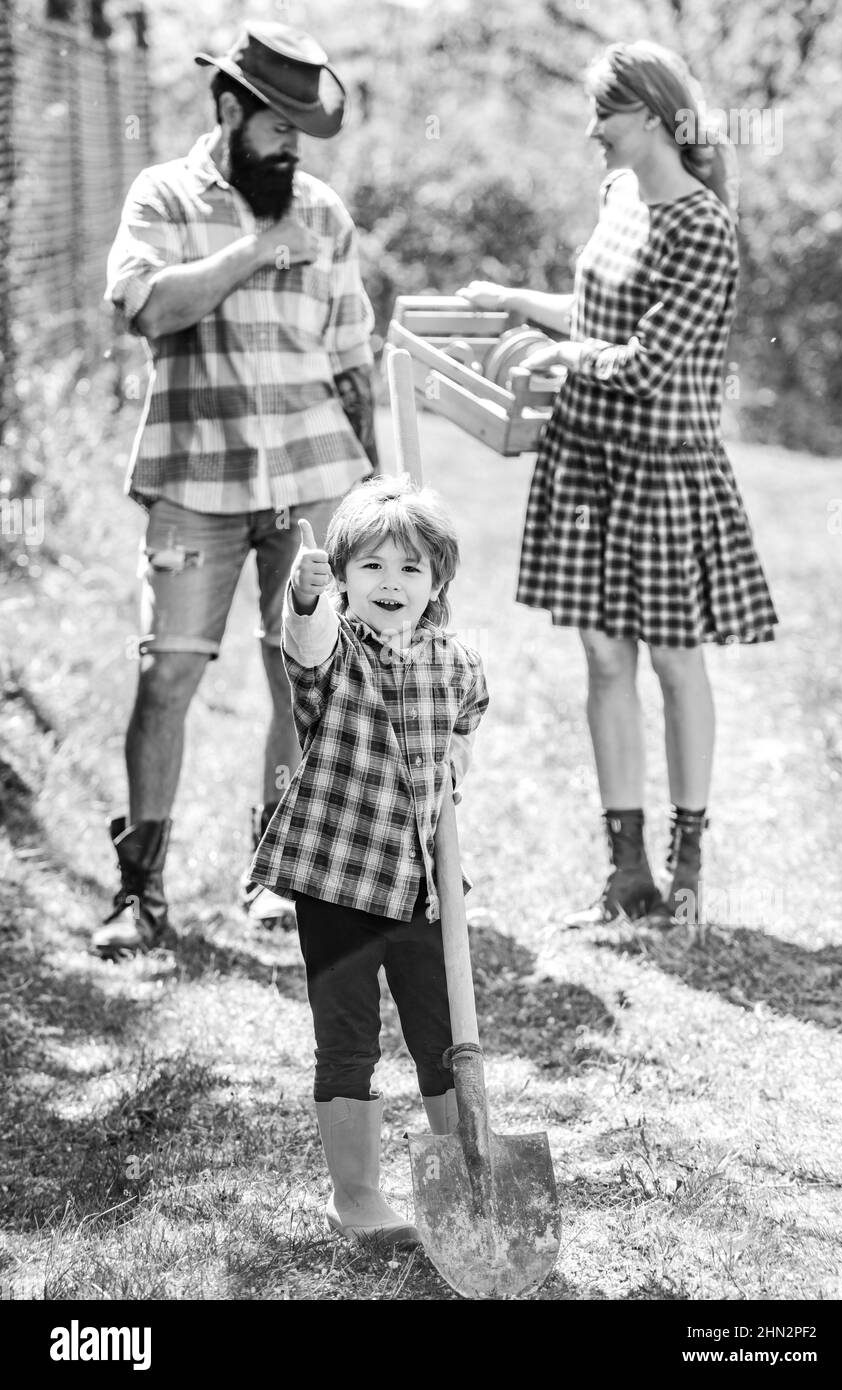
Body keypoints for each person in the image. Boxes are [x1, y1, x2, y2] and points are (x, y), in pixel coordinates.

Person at [458, 40, 778, 928]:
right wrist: (519, 301)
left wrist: (554, 355)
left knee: (674, 659)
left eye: (604, 113)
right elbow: (601, 314)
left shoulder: (702, 227)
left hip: (660, 464)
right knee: (602, 657)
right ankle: (624, 868)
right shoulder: (615, 198)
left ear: (647, 115)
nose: (591, 131)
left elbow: (642, 361)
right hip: (588, 456)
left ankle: (688, 862)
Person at [93, 23, 380, 959]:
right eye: (277, 128)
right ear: (227, 111)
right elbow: (148, 309)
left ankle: (274, 869)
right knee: (167, 673)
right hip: (194, 481)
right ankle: (140, 891)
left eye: (304, 131)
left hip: (309, 480)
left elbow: (349, 362)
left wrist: (372, 487)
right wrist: (256, 250)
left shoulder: (327, 215)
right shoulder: (164, 196)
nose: (292, 147)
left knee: (296, 673)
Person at [247, 475, 488, 1244]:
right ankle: (356, 1197)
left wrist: (453, 761)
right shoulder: (334, 651)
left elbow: (463, 725)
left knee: (443, 1035)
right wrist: (305, 595)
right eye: (373, 567)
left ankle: (465, 1180)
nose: (392, 582)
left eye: (411, 568)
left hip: (422, 888)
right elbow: (304, 640)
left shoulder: (455, 659)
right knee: (346, 1038)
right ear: (347, 579)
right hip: (339, 884)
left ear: (437, 582)